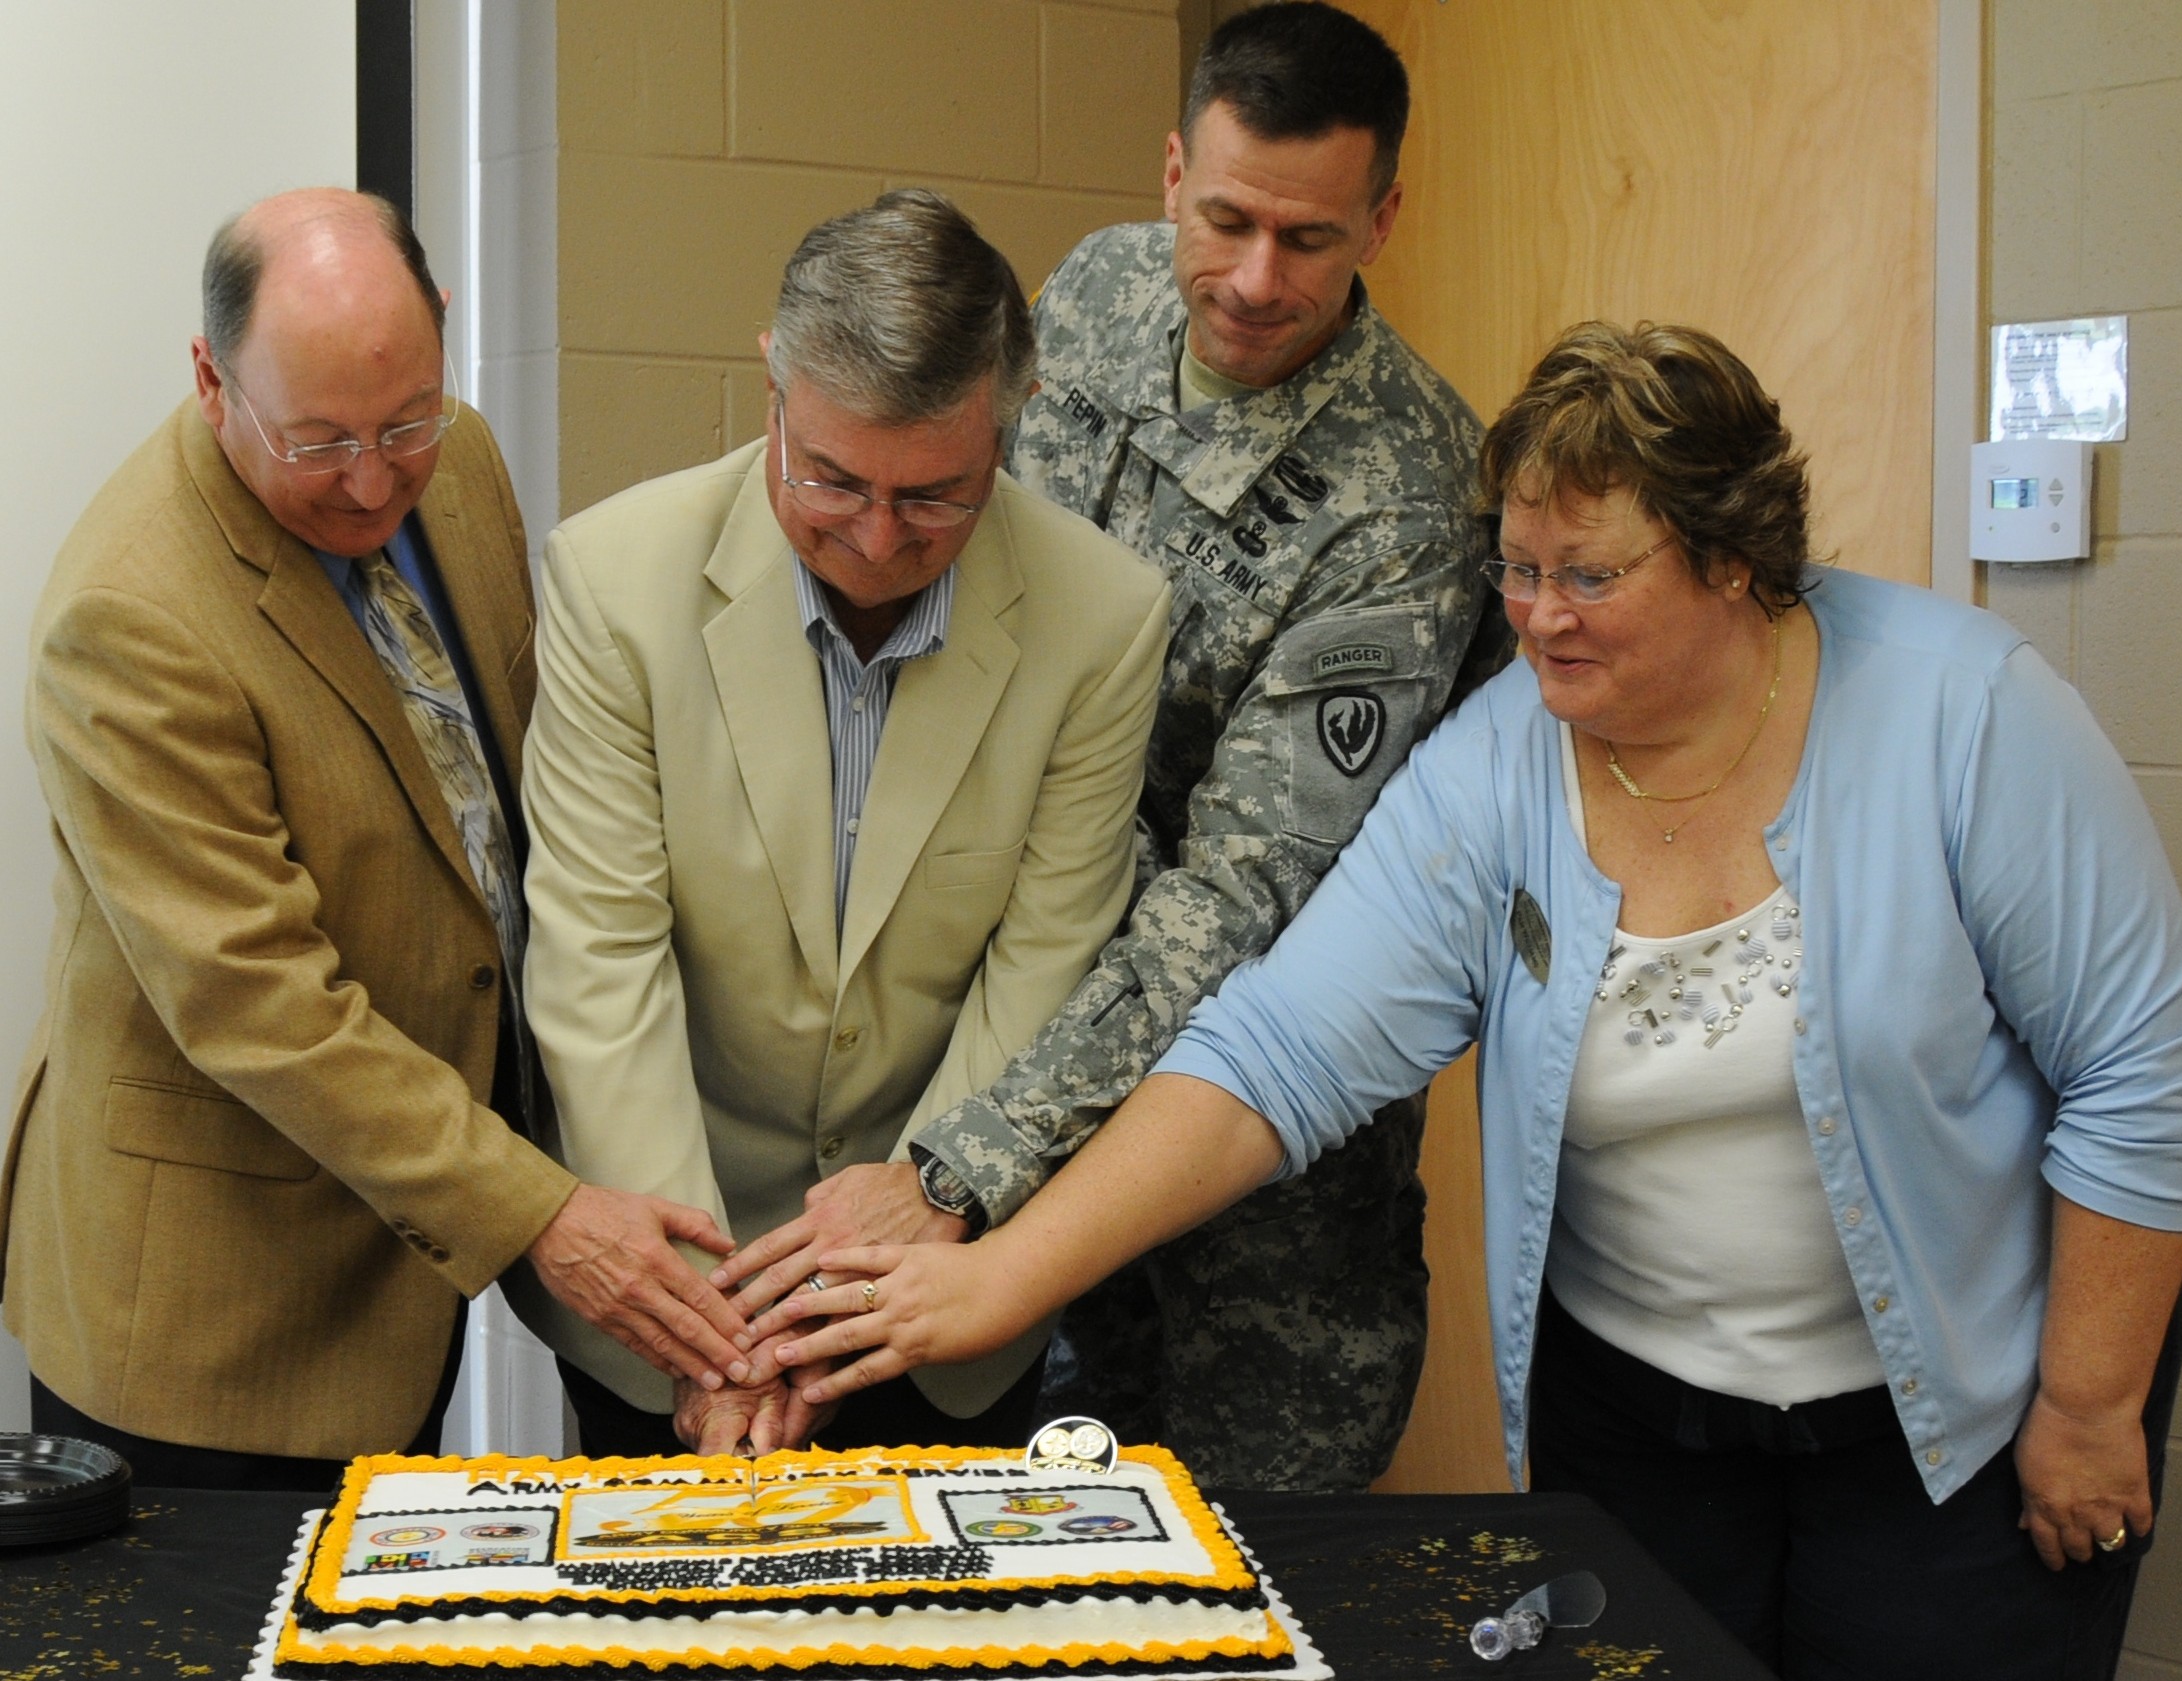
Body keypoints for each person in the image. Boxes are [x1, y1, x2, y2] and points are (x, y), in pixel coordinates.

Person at [748, 322, 2182, 1679]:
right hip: (1641, 1419)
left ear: (1732, 558)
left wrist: (2087, 1409)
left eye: (1590, 575)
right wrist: (1009, 1269)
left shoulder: (1965, 713)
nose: (1537, 619)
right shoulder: (1498, 760)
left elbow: (2137, 1071)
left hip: (1957, 1417)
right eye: (1516, 570)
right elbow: (1280, 1051)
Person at [720, 0, 1501, 1492]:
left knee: (1225, 1586)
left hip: (1238, 1186)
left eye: (1311, 238)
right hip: (1006, 1053)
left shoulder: (1401, 496)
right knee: (1011, 1568)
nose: (1255, 280)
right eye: (1224, 219)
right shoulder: (1084, 298)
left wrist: (967, 1163)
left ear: (1384, 219)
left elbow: (1235, 900)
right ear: (1167, 174)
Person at [0, 189, 761, 1491]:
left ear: (442, 340)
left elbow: (501, 811)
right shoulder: (127, 619)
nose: (371, 480)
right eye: (318, 441)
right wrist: (543, 1212)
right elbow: (262, 1007)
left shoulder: (455, 457)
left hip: (394, 1266)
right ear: (208, 378)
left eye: (403, 418)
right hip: (207, 1319)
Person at [502, 189, 1169, 1458]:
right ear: (774, 384)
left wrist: (890, 1256)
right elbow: (600, 963)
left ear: (1006, 418)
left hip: (945, 1288)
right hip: (672, 1286)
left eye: (936, 498)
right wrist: (718, 1329)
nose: (874, 539)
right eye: (832, 480)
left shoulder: (1104, 616)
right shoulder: (614, 581)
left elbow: (1043, 968)